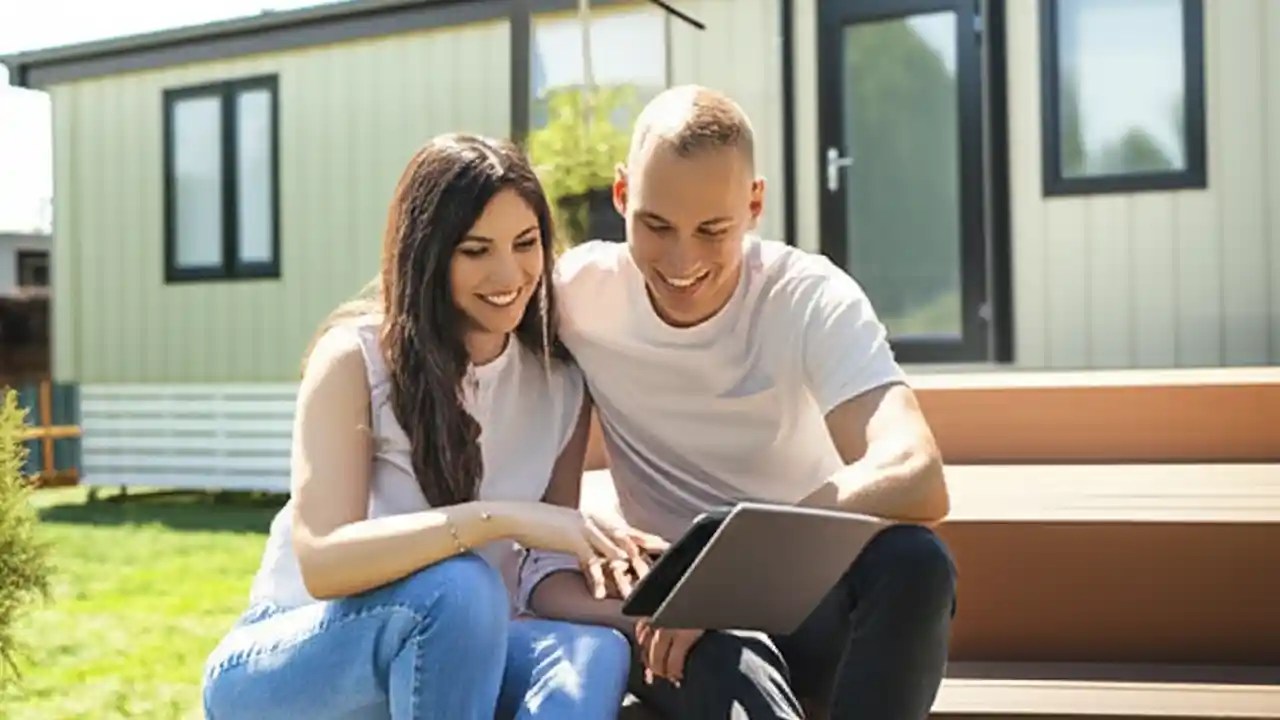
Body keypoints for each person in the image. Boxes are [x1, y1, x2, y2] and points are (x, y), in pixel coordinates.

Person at [520, 86, 957, 719]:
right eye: (655, 225)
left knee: (915, 564)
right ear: (621, 195)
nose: (681, 259)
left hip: (803, 596)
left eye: (712, 230)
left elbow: (918, 471)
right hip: (673, 617)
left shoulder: (809, 296)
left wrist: (732, 575)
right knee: (725, 665)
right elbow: (469, 315)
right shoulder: (580, 295)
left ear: (754, 203)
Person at [201, 133, 661, 720]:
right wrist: (504, 519)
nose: (509, 272)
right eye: (475, 250)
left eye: (526, 244)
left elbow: (543, 576)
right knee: (463, 587)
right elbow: (323, 561)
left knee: (589, 651)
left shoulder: (561, 387)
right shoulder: (356, 359)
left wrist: (648, 615)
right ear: (428, 251)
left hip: (460, 640)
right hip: (289, 657)